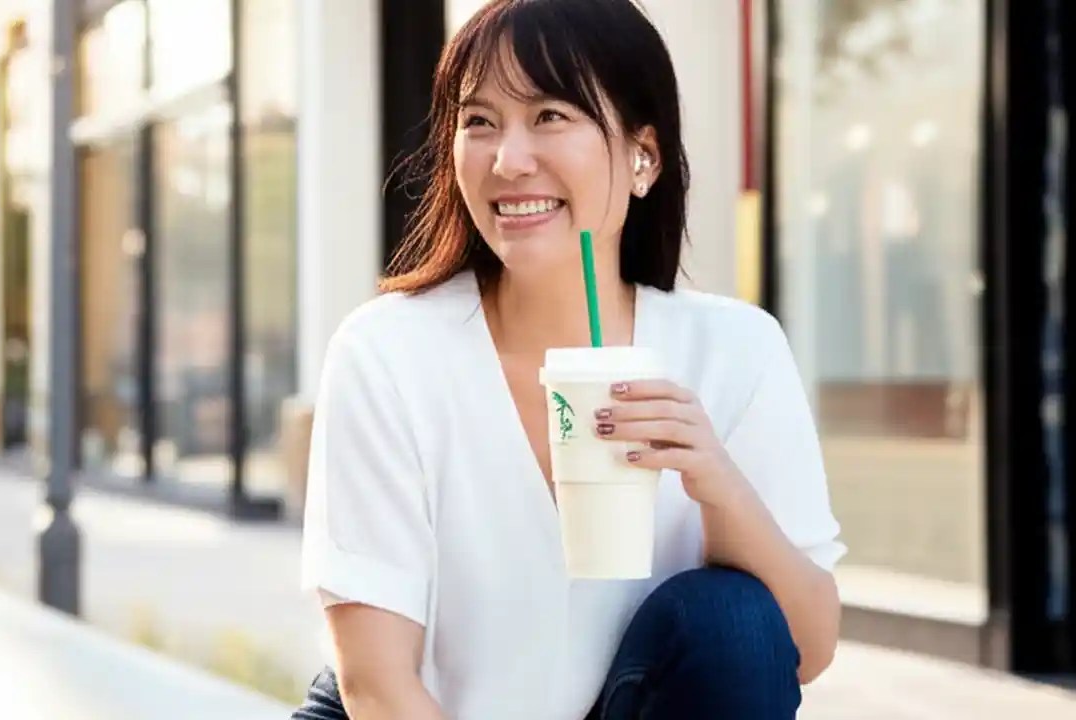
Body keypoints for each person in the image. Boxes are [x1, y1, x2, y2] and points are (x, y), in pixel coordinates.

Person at [294, 1, 845, 718]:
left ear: (642, 155)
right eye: (479, 122)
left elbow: (807, 645)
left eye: (551, 115)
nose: (508, 160)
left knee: (732, 618)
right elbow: (376, 685)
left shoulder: (735, 351)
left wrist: (716, 482)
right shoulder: (389, 353)